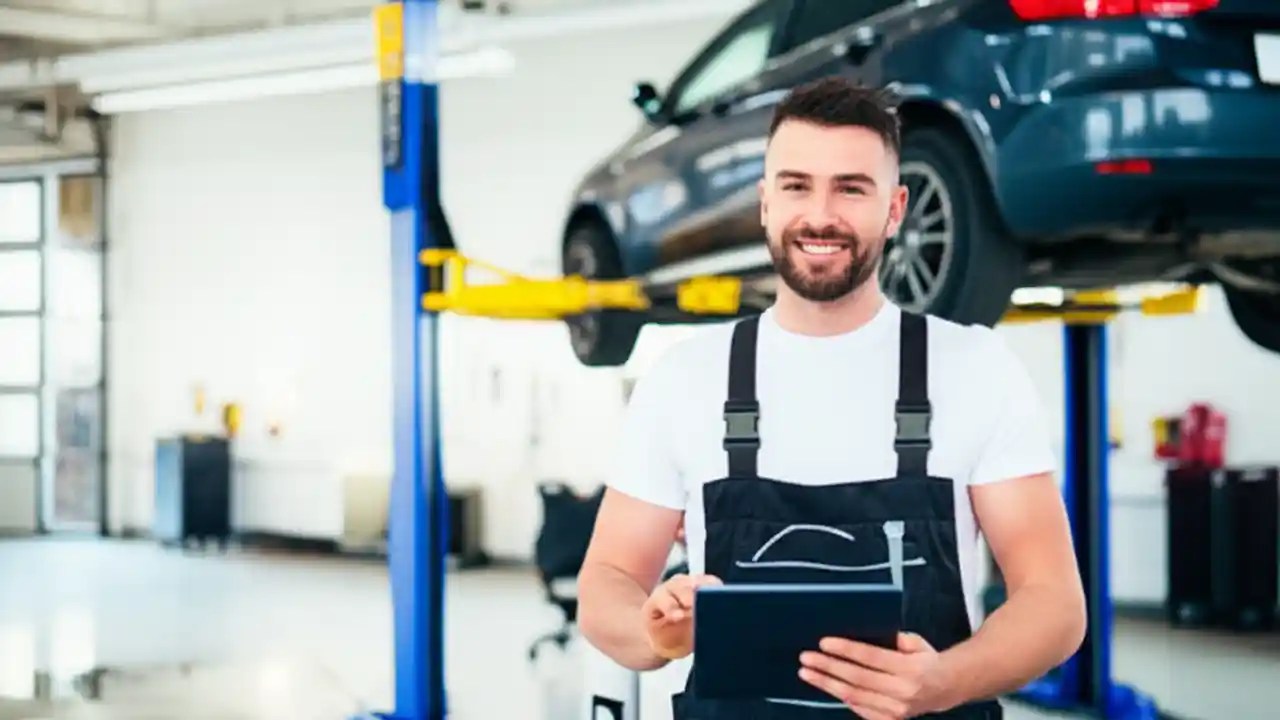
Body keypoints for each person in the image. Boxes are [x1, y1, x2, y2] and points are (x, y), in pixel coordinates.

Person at [576, 76, 1086, 720]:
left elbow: (1054, 603)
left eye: (851, 188)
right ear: (765, 202)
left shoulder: (973, 369)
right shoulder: (685, 378)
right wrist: (656, 632)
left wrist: (945, 681)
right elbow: (605, 588)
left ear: (896, 209)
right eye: (796, 186)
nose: (820, 215)